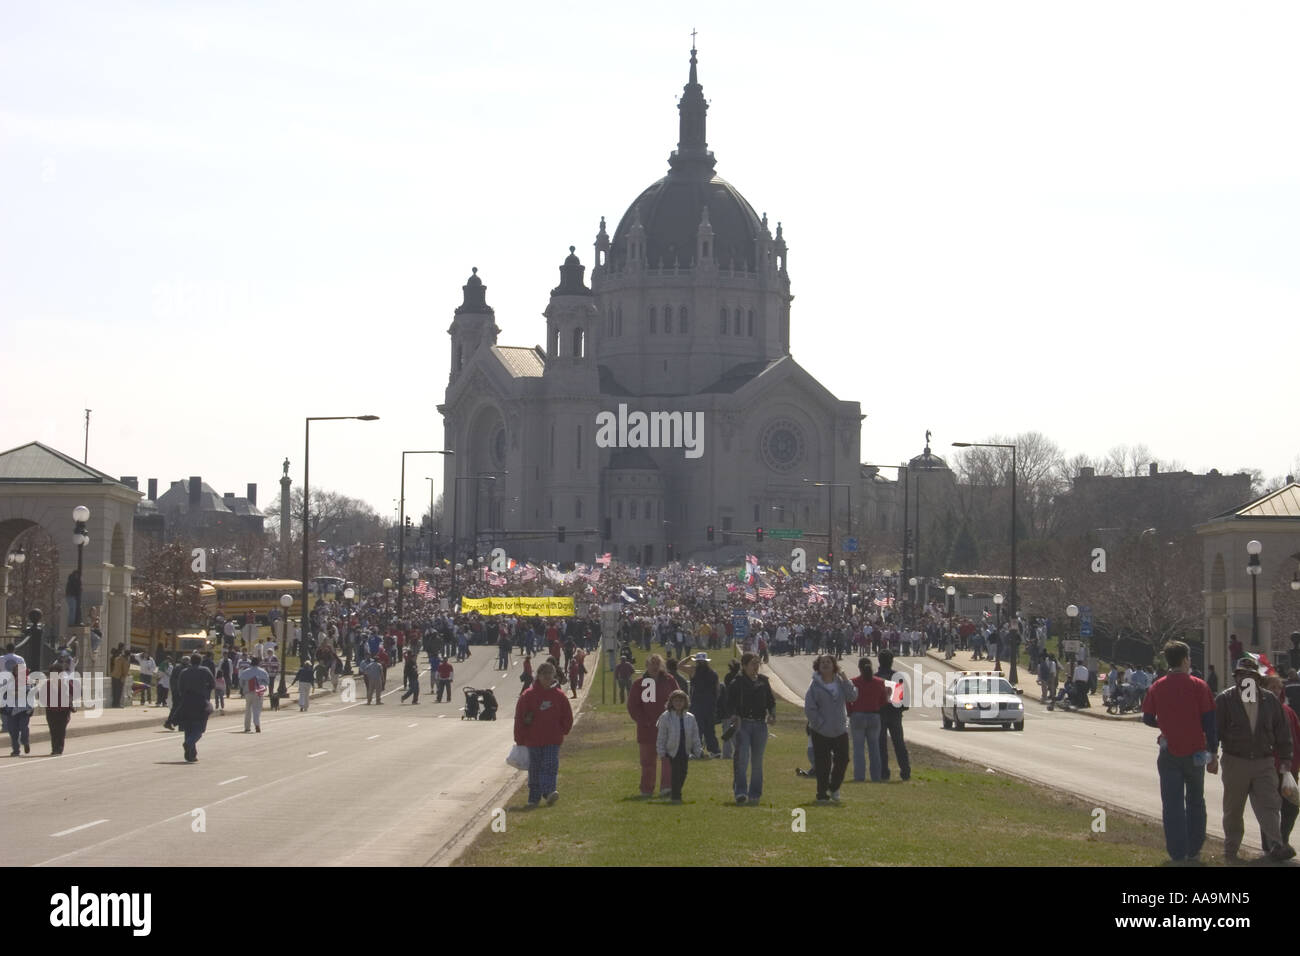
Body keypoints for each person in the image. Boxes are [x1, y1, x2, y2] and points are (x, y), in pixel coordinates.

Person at [1141, 640, 1218, 862]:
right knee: (1196, 800)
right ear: (1185, 660)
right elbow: (1210, 722)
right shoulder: (1199, 686)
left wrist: (1164, 725)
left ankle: (1177, 851)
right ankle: (1194, 848)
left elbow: (1147, 718)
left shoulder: (1157, 686)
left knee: (1172, 803)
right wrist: (1213, 752)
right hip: (1196, 752)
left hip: (1169, 752)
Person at [1214, 657, 1294, 861]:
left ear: (1258, 679)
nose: (1246, 679)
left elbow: (1283, 734)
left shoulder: (1270, 701)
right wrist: (1211, 755)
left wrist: (1285, 762)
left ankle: (1275, 845)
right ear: (1237, 677)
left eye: (1251, 675)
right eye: (1242, 675)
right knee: (1233, 809)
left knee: (1270, 804)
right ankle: (1231, 850)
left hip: (1264, 762)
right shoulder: (1225, 699)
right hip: (1235, 760)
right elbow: (1215, 730)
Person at [513, 661, 574, 807]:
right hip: (533, 740)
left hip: (552, 739)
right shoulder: (528, 695)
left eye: (550, 673)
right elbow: (520, 717)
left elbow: (567, 716)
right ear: (538, 676)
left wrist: (563, 730)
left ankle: (548, 792)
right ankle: (533, 799)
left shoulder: (559, 696)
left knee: (550, 764)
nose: (547, 677)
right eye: (544, 673)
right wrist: (519, 738)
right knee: (535, 768)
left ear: (554, 675)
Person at [804, 654, 857, 803]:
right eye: (822, 662)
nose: (826, 664)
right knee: (823, 764)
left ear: (834, 666)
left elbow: (852, 697)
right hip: (820, 731)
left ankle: (834, 788)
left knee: (843, 760)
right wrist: (819, 723)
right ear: (818, 667)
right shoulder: (814, 686)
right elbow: (809, 708)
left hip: (840, 729)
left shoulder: (840, 683)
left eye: (829, 662)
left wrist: (846, 679)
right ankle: (822, 794)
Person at [627, 654, 679, 797]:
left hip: (667, 727)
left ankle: (666, 787)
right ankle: (646, 789)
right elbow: (633, 706)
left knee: (668, 759)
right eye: (652, 663)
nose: (655, 666)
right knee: (647, 761)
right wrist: (645, 721)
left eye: (658, 663)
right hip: (647, 729)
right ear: (647, 666)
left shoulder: (669, 681)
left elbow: (678, 699)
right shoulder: (639, 684)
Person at [728, 652, 776, 804]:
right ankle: (740, 792)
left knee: (757, 761)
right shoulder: (737, 682)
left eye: (757, 663)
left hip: (760, 725)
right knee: (742, 759)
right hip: (743, 724)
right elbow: (729, 703)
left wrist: (772, 715)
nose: (756, 666)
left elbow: (771, 701)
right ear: (744, 666)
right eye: (752, 663)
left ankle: (755, 793)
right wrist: (734, 716)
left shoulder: (763, 681)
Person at [1260, 674, 1300, 855]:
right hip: (1269, 767)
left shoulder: (1288, 711)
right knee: (1271, 807)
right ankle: (1271, 844)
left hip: (1289, 769)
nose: (1276, 690)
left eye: (1278, 687)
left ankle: (1282, 839)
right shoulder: (1259, 711)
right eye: (1272, 687)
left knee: (1291, 806)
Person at [656, 689, 703, 803]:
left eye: (681, 701)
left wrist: (698, 750)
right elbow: (661, 735)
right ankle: (676, 797)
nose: (678, 703)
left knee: (683, 773)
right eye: (676, 701)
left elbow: (695, 736)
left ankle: (675, 792)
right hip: (672, 750)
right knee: (675, 773)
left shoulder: (690, 717)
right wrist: (661, 751)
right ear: (671, 702)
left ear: (685, 702)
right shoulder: (665, 717)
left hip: (684, 750)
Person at [849, 657, 886, 783]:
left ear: (859, 668)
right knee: (874, 747)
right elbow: (884, 700)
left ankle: (859, 776)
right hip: (874, 716)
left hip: (858, 715)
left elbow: (848, 699)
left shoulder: (854, 682)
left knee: (858, 748)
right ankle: (876, 776)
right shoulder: (880, 682)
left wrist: (850, 712)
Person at [876, 649, 911, 781]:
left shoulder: (875, 677)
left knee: (881, 744)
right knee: (899, 744)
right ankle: (905, 771)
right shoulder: (897, 677)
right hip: (895, 714)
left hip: (880, 714)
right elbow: (903, 700)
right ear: (892, 661)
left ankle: (884, 772)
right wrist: (901, 709)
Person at [175, 653, 214, 762]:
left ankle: (191, 754)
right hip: (200, 702)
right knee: (199, 729)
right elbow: (213, 684)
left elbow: (179, 688)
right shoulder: (205, 670)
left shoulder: (184, 672)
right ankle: (189, 744)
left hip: (186, 702)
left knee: (188, 729)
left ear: (191, 661)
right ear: (200, 661)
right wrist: (205, 690)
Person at [685, 653, 722, 757]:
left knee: (697, 729)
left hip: (697, 704)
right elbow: (717, 689)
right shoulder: (713, 673)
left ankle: (696, 751)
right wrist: (714, 702)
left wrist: (688, 657)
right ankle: (714, 750)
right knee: (709, 729)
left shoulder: (693, 670)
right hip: (710, 704)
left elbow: (679, 665)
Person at [43, 661, 76, 755]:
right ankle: (54, 748)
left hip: (63, 711)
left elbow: (74, 692)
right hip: (51, 711)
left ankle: (59, 748)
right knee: (53, 730)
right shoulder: (47, 684)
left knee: (61, 730)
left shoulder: (66, 683)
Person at [241, 657, 269, 732]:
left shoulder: (245, 672)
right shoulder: (263, 672)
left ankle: (247, 727)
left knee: (248, 710)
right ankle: (257, 724)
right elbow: (267, 682)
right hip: (258, 692)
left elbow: (241, 682)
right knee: (256, 709)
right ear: (258, 663)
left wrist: (243, 689)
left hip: (248, 692)